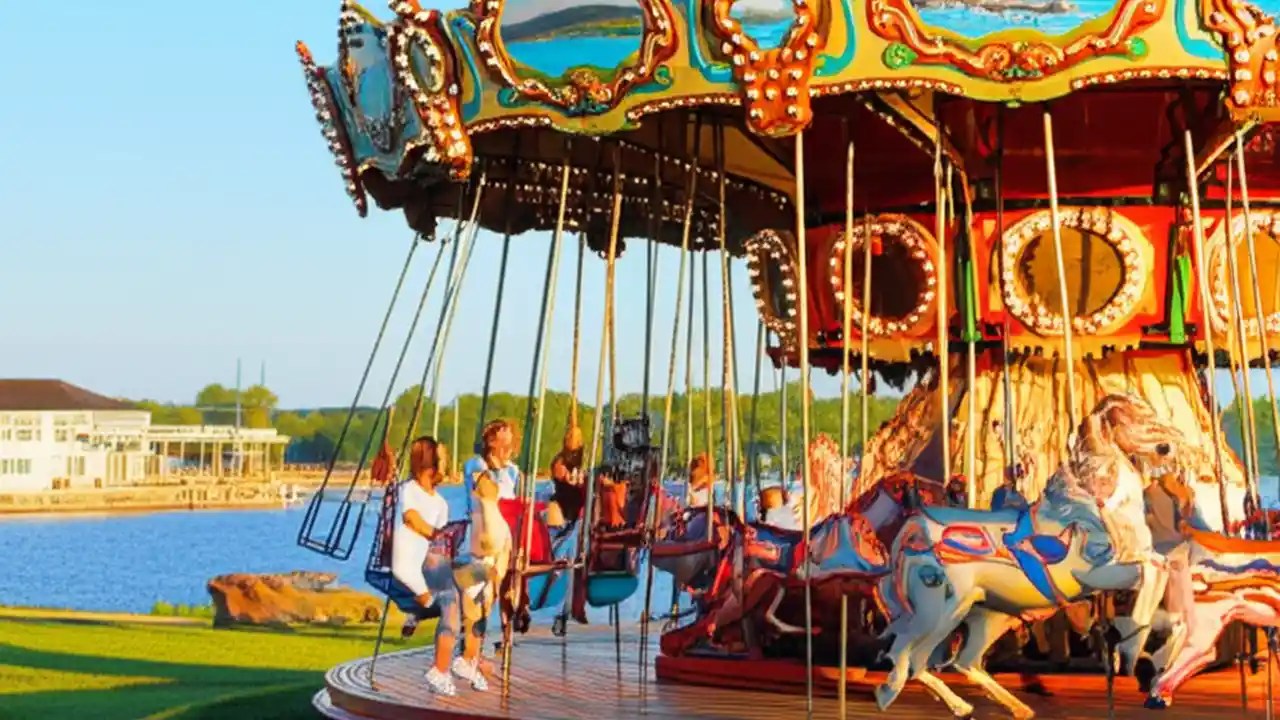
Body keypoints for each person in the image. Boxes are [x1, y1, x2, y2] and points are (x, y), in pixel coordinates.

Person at [389, 437, 486, 695]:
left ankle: (467, 660)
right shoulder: (408, 490)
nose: (447, 461)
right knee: (450, 598)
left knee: (482, 577)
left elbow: (442, 541)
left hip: (435, 562)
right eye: (442, 457)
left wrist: (453, 536)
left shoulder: (441, 503)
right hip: (414, 564)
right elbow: (412, 520)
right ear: (429, 461)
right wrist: (437, 534)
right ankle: (439, 670)